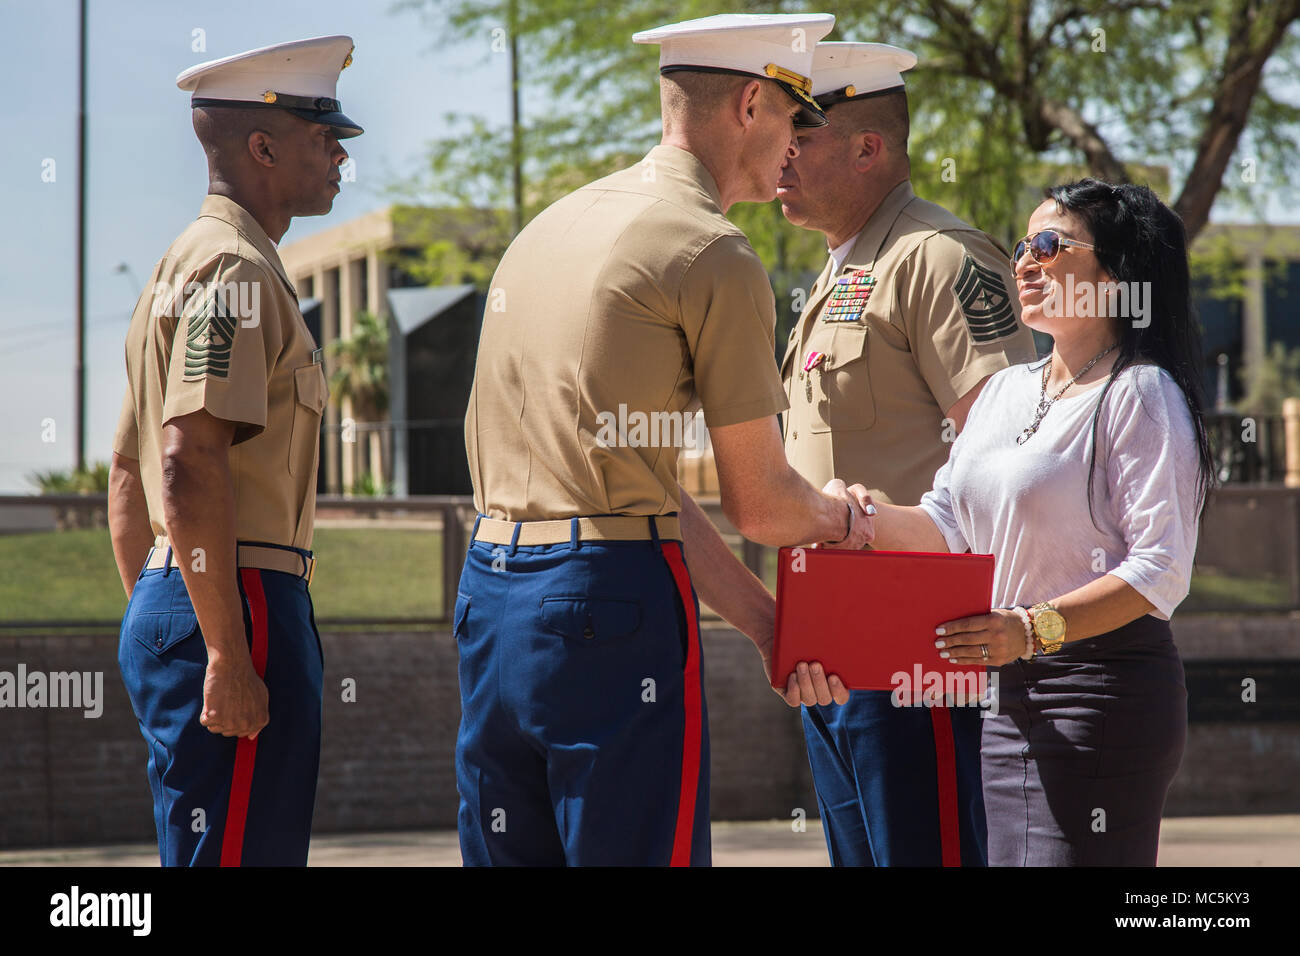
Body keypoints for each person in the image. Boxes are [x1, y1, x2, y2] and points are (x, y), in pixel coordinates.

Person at [458, 12, 876, 867]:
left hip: (489, 599)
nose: (799, 141)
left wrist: (766, 628)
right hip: (609, 603)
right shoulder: (714, 250)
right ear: (751, 103)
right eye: (796, 116)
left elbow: (643, 488)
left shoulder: (548, 226)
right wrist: (844, 518)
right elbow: (760, 504)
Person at [863, 179, 1213, 865]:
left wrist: (1028, 628)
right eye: (1023, 245)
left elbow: (1159, 570)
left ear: (1114, 275)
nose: (1024, 261)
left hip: (1100, 695)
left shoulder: (1140, 392)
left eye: (1050, 246)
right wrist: (851, 516)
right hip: (1005, 697)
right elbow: (945, 525)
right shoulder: (1003, 390)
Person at [775, 41, 1038, 866]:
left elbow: (1012, 458)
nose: (779, 152)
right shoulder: (841, 269)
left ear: (868, 148)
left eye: (802, 135)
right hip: (835, 644)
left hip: (925, 642)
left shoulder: (939, 256)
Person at [107, 35, 361, 866]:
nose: (338, 155)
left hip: (191, 589)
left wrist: (165, 610)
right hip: (241, 595)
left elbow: (126, 477)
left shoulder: (177, 268)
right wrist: (220, 644)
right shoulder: (236, 268)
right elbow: (184, 462)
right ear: (262, 145)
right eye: (324, 137)